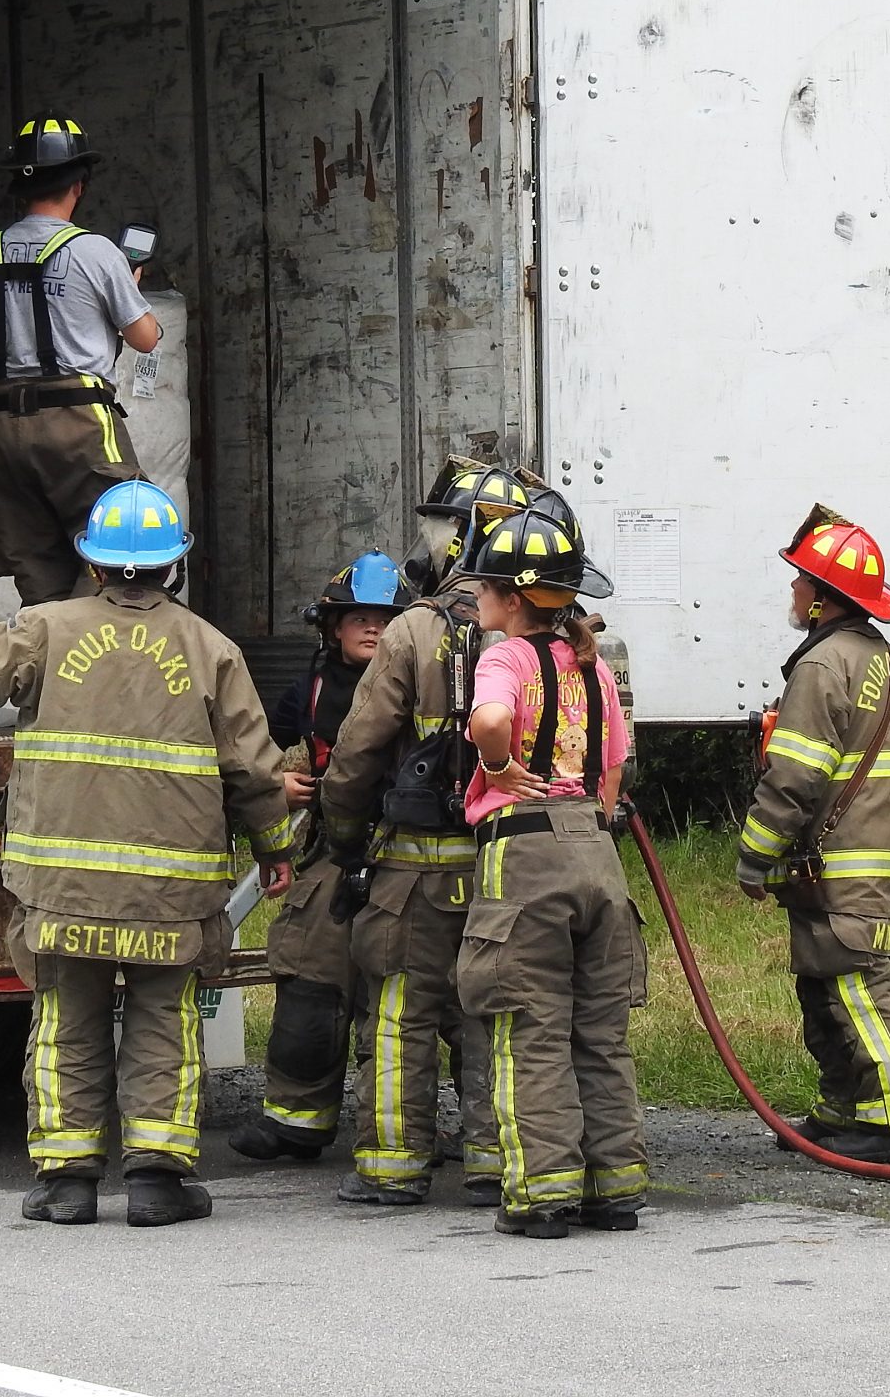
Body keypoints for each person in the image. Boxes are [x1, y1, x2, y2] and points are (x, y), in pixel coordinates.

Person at [0, 480, 292, 1228]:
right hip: (173, 894)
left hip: (62, 888)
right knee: (164, 1019)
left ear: (94, 565)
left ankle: (67, 1184)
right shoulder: (212, 650)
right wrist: (276, 849)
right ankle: (157, 1182)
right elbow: (254, 770)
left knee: (67, 1017)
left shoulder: (45, 629)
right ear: (173, 568)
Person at [319, 459, 534, 1207]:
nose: (432, 544)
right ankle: (494, 1162)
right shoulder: (563, 636)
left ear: (470, 538)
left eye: (444, 529)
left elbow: (356, 753)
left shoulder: (414, 631)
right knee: (494, 1011)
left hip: (415, 870)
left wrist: (344, 839)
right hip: (519, 866)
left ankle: (393, 1167)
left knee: (400, 1013)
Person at [454, 496, 645, 1236]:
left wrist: (495, 765)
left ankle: (540, 1196)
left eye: (483, 587)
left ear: (511, 598)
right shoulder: (591, 667)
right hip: (596, 853)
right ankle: (615, 1186)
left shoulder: (504, 657)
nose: (474, 597)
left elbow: (491, 720)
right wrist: (590, 821)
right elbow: (614, 769)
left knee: (528, 1025)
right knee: (599, 1029)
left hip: (526, 856)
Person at [735, 505, 890, 1161]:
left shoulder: (824, 666)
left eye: (801, 582)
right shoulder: (889, 664)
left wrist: (755, 852)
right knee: (823, 981)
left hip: (840, 859)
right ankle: (844, 1107)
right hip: (864, 853)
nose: (793, 590)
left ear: (824, 600)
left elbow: (796, 772)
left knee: (857, 983)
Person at [228, 549, 412, 1164]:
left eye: (385, 616)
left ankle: (433, 1136)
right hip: (333, 852)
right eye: (357, 616)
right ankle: (295, 1122)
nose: (372, 626)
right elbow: (249, 757)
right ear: (333, 626)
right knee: (310, 980)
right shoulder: (306, 693)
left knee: (420, 999)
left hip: (412, 857)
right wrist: (276, 782)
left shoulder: (429, 683)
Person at [0, 118, 162, 605]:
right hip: (77, 421)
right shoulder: (96, 252)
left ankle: (52, 665)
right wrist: (128, 287)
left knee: (36, 570)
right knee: (126, 540)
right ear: (78, 185)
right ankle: (103, 664)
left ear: (19, 185)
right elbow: (145, 338)